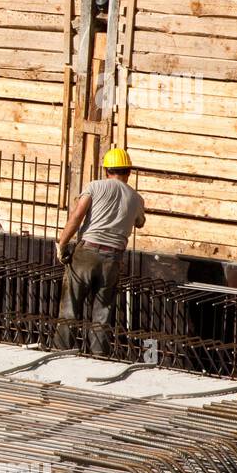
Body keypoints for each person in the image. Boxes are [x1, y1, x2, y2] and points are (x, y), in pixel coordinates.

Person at [52, 147, 146, 355]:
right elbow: (140, 223)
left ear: (106, 171)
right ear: (128, 172)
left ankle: (60, 352)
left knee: (70, 307)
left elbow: (77, 216)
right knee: (102, 312)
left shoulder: (94, 187)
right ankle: (98, 357)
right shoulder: (136, 198)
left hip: (87, 252)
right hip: (113, 258)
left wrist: (63, 243)